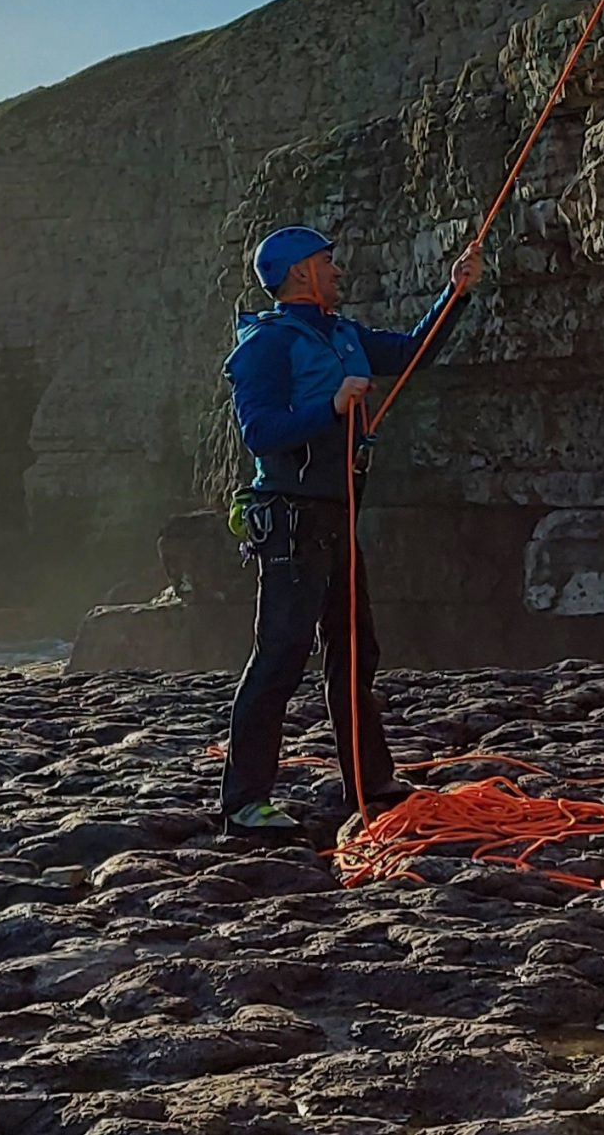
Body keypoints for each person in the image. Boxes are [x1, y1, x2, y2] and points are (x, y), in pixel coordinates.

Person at [217, 226, 482, 842]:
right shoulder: (264, 344)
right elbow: (259, 433)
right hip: (289, 519)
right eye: (328, 263)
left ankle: (371, 782)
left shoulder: (343, 334)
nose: (338, 271)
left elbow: (413, 353)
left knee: (356, 651)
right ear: (301, 273)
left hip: (337, 517)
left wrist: (455, 294)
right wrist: (332, 407)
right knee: (281, 655)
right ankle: (243, 804)